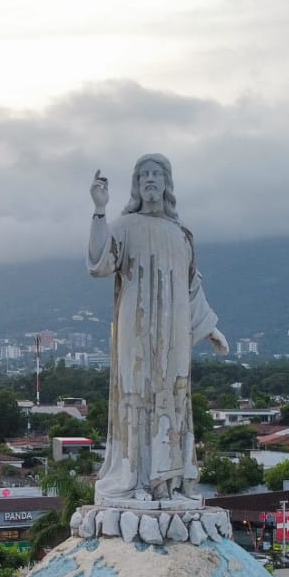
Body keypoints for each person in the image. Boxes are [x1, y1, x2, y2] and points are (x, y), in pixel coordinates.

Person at [87, 154, 229, 502]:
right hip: (135, 328)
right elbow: (99, 263)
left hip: (174, 330)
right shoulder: (124, 225)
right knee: (136, 395)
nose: (150, 179)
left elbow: (192, 284)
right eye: (143, 174)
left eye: (156, 173)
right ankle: (134, 479)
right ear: (136, 185)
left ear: (166, 183)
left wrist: (210, 326)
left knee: (172, 395)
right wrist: (100, 210)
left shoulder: (181, 234)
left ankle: (168, 480)